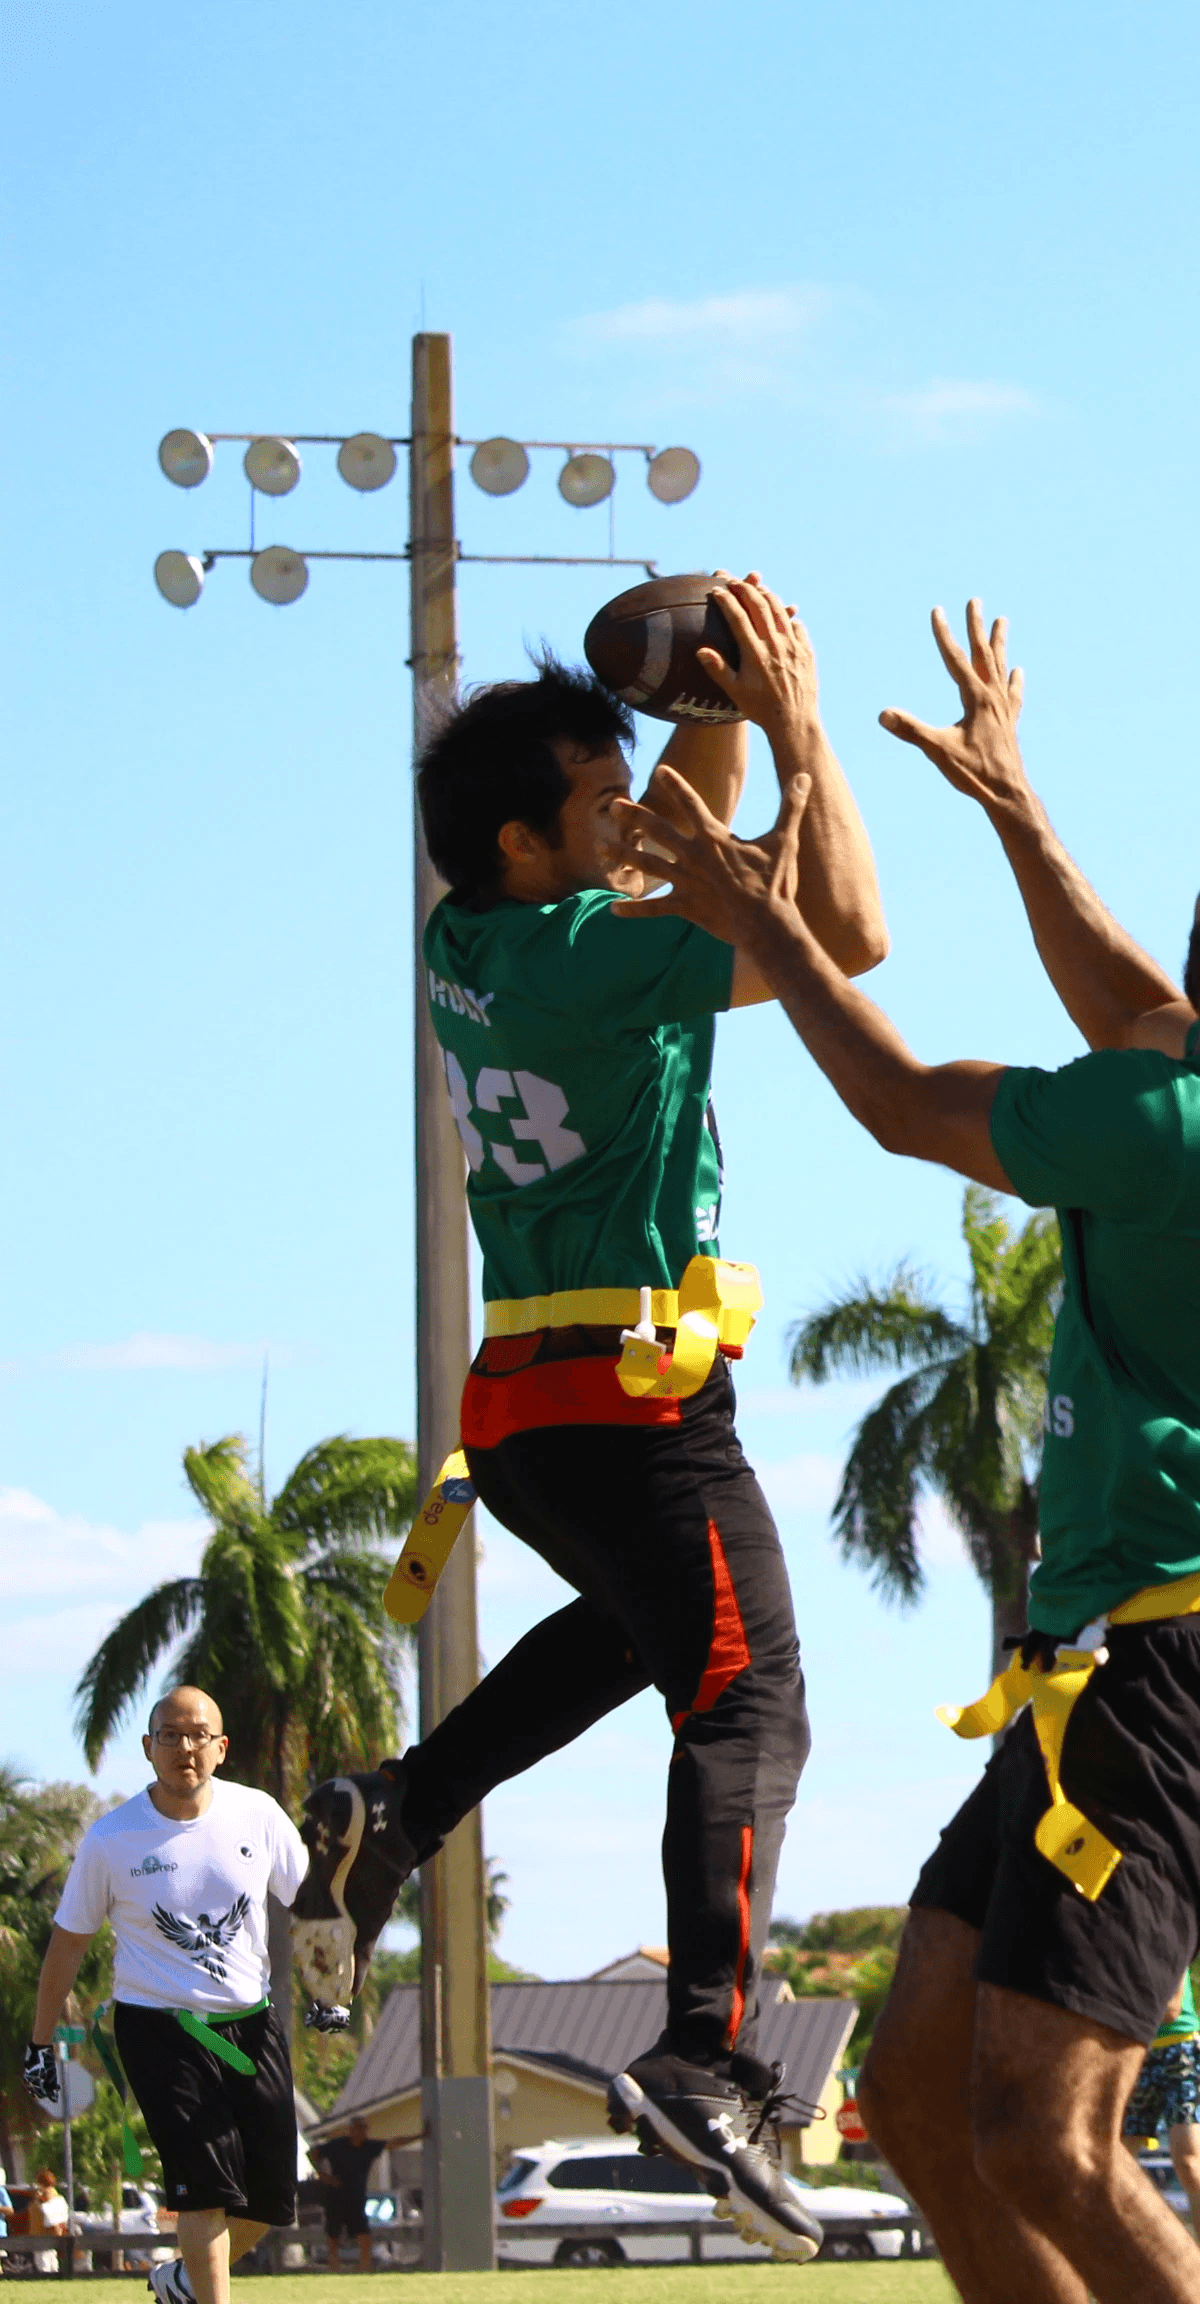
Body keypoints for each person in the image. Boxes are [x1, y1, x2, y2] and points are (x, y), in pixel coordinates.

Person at [602, 598, 1200, 2304]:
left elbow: (902, 1101)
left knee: (1048, 2134)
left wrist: (764, 911)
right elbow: (1138, 1002)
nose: (1182, 914)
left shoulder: (1171, 1126)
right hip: (1112, 1665)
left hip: (1176, 1671)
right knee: (912, 2094)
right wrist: (1014, 808)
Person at [286, 577, 887, 2264]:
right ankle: (705, 2054)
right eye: (598, 798)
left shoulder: (471, 935)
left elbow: (650, 837)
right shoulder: (601, 957)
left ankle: (403, 1802)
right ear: (524, 841)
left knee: (641, 1634)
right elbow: (843, 930)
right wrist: (795, 724)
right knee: (749, 1696)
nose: (636, 813)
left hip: (530, 1409)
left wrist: (686, 695)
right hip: (638, 1403)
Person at [23, 1689, 306, 2304]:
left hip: (250, 2027)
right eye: (171, 1735)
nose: (185, 1747)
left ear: (221, 1747)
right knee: (206, 2189)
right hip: (160, 2028)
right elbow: (67, 1946)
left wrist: (334, 1983)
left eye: (199, 1735)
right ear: (148, 1747)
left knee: (270, 2200)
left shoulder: (257, 1815)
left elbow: (311, 1908)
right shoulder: (111, 1838)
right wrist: (40, 2042)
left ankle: (179, 2282)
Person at [1126, 1973, 1200, 2277]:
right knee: (1118, 2166)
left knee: (1190, 2162)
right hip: (1135, 2053)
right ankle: (1124, 2264)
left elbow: (1171, 2008)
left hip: (1180, 2052)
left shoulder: (1167, 1934)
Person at [310, 2118, 384, 2273]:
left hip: (356, 2198)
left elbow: (392, 2144)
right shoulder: (337, 2145)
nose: (362, 2132)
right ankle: (334, 2268)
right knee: (333, 2236)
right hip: (336, 2196)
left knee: (363, 2235)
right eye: (358, 2128)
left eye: (364, 2129)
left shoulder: (369, 2147)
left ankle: (365, 2268)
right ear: (351, 2130)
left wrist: (420, 2136)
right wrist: (323, 2176)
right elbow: (313, 2153)